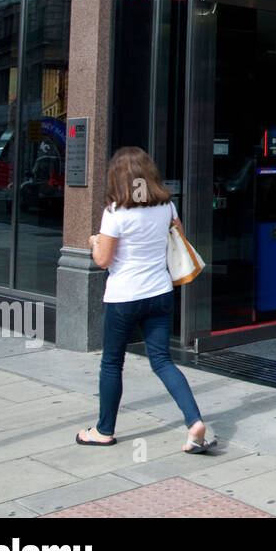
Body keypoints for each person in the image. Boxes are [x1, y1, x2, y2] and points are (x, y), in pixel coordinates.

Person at [78, 147, 212, 453]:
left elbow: (103, 260)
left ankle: (104, 430)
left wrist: (94, 242)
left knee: (112, 362)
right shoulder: (166, 206)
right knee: (162, 361)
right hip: (160, 293)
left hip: (124, 296)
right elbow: (179, 237)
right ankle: (194, 423)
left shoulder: (114, 212)